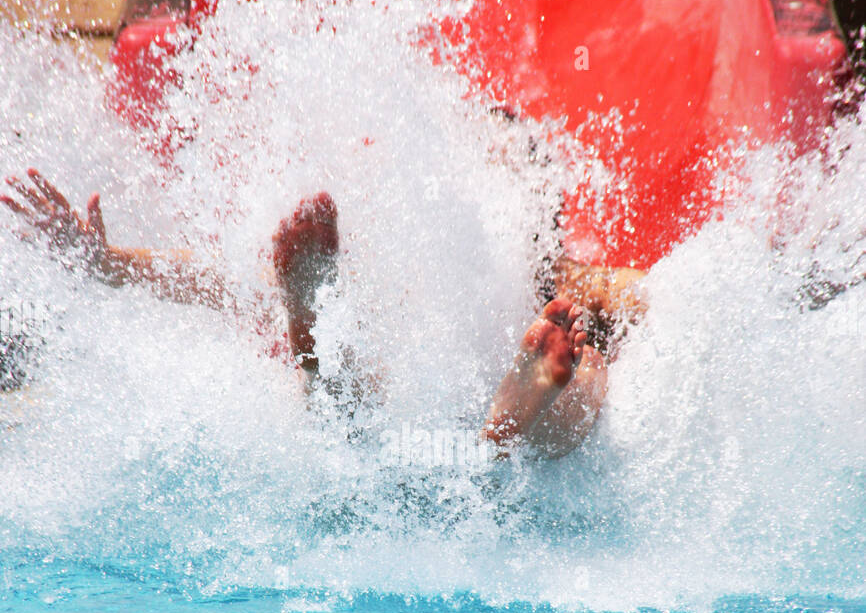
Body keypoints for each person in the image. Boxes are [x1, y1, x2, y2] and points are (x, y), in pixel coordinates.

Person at [1, 169, 647, 455]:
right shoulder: (550, 283)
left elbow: (213, 281)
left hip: (400, 430)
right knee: (583, 381)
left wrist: (109, 264)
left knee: (348, 402)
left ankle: (319, 339)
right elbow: (647, 295)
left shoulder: (559, 289)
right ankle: (509, 419)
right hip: (474, 414)